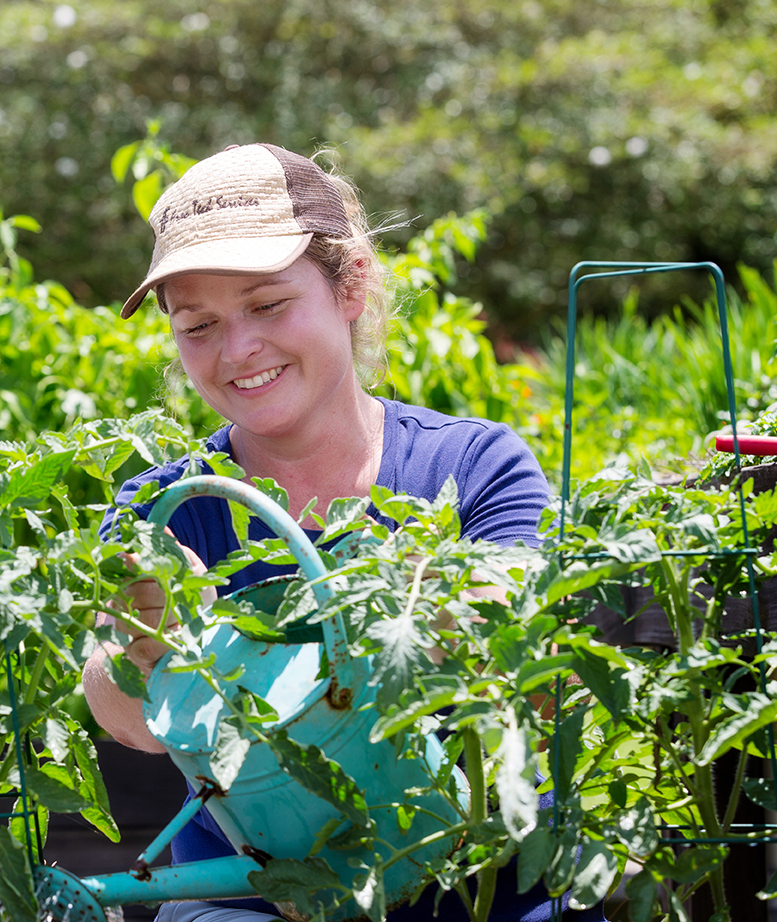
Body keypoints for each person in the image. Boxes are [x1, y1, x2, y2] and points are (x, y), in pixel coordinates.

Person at [81, 143, 596, 922]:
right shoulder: (164, 508)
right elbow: (120, 715)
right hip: (246, 894)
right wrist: (148, 645)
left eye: (266, 306)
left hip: (478, 887)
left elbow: (528, 673)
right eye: (198, 325)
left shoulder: (471, 467)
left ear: (350, 283)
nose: (237, 350)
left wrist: (440, 612)